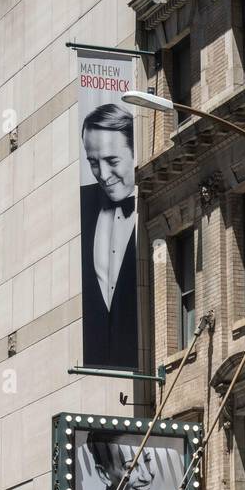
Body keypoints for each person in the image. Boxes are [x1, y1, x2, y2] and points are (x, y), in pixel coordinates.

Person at [79, 103, 139, 370]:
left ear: (135, 153)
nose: (102, 175)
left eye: (112, 161)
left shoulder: (157, 197)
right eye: (93, 163)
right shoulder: (82, 202)